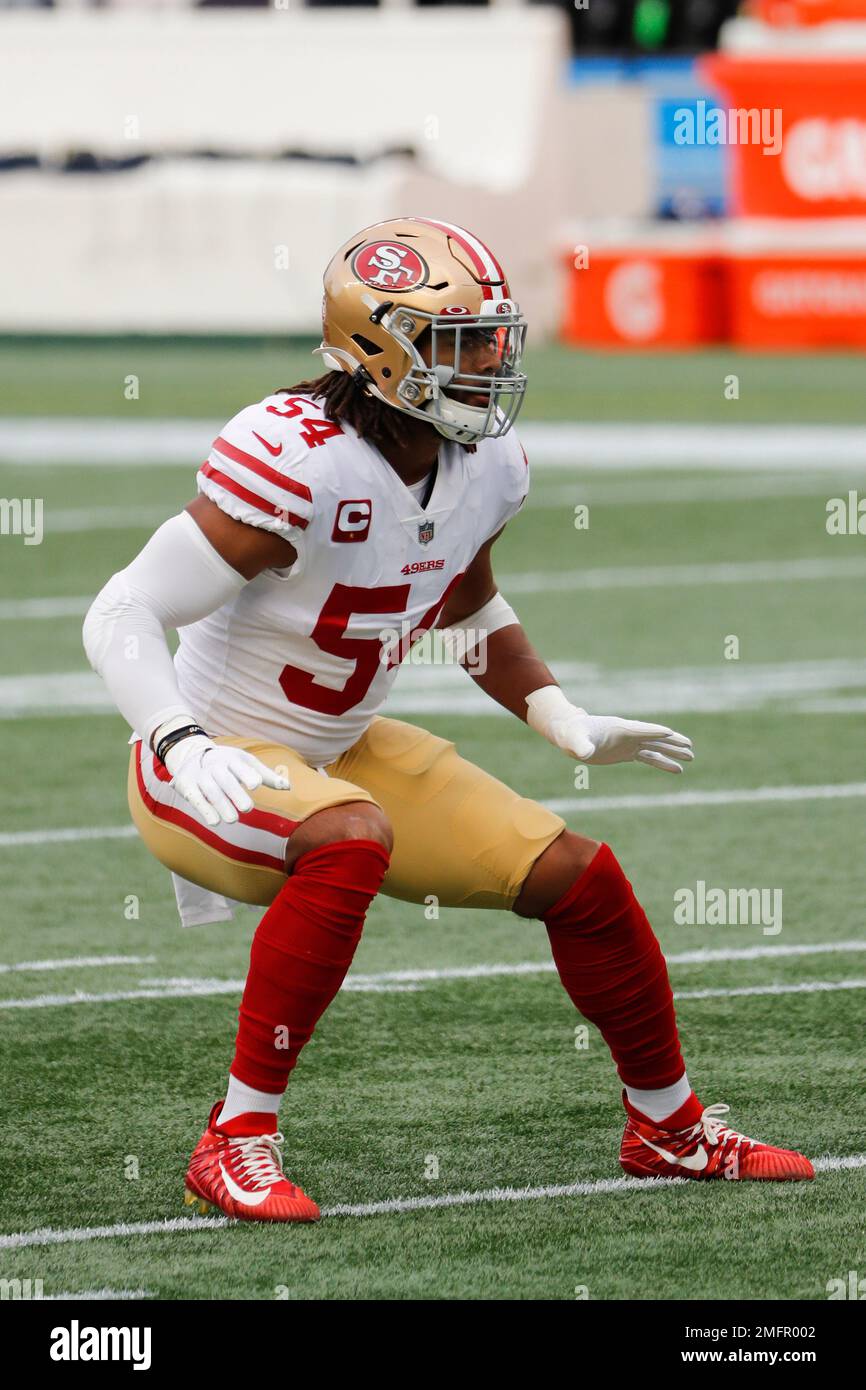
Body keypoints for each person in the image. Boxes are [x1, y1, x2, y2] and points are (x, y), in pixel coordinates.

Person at [83, 216, 813, 1223]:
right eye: (461, 342)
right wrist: (175, 735)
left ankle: (667, 1127)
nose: (489, 361)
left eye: (492, 338)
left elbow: (462, 602)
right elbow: (121, 609)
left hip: (335, 750)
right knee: (351, 837)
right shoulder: (296, 460)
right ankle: (235, 1137)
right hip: (206, 762)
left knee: (579, 879)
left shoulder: (483, 463)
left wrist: (556, 711)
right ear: (382, 351)